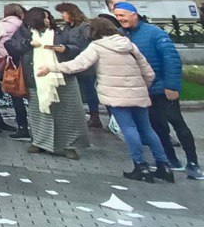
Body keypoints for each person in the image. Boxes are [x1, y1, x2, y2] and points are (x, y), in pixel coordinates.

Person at [49, 16, 174, 183]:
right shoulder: (129, 45)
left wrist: (52, 67)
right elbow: (148, 71)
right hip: (138, 93)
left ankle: (140, 165)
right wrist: (141, 86)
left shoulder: (97, 46)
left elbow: (78, 65)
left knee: (129, 128)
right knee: (147, 129)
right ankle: (163, 165)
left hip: (116, 95)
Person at [114, 1, 201, 179]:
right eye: (117, 16)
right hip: (144, 90)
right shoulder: (124, 36)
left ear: (134, 14)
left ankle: (193, 163)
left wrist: (172, 85)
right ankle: (171, 159)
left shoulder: (154, 33)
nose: (119, 19)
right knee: (158, 127)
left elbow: (171, 59)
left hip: (162, 88)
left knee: (178, 124)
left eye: (122, 15)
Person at [5, 7, 89, 160]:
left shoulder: (59, 33)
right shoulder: (23, 33)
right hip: (36, 78)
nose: (48, 21)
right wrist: (28, 44)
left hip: (62, 77)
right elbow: (11, 47)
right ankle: (39, 142)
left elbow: (77, 47)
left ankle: (69, 145)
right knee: (39, 112)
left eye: (48, 17)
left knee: (68, 113)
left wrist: (66, 48)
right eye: (44, 18)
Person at [56, 3, 101, 129]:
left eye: (63, 13)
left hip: (85, 64)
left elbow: (86, 44)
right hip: (70, 62)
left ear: (71, 13)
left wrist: (68, 48)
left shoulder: (84, 26)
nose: (62, 16)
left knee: (89, 90)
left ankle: (95, 116)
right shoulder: (67, 28)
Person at [0, 3, 30, 139]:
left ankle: (22, 127)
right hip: (26, 61)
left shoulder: (2, 25)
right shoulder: (24, 24)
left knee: (16, 94)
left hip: (10, 63)